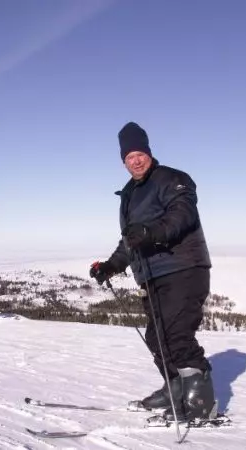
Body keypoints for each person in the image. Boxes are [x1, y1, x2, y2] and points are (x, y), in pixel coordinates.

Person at [89, 121, 215, 421]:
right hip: (152, 275)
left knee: (177, 335)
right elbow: (130, 241)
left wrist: (151, 232)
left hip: (183, 268)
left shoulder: (172, 179)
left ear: (148, 152)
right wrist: (111, 266)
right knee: (157, 337)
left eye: (139, 152)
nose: (135, 159)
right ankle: (175, 389)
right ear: (123, 161)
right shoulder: (130, 194)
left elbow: (182, 215)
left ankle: (200, 404)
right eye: (128, 156)